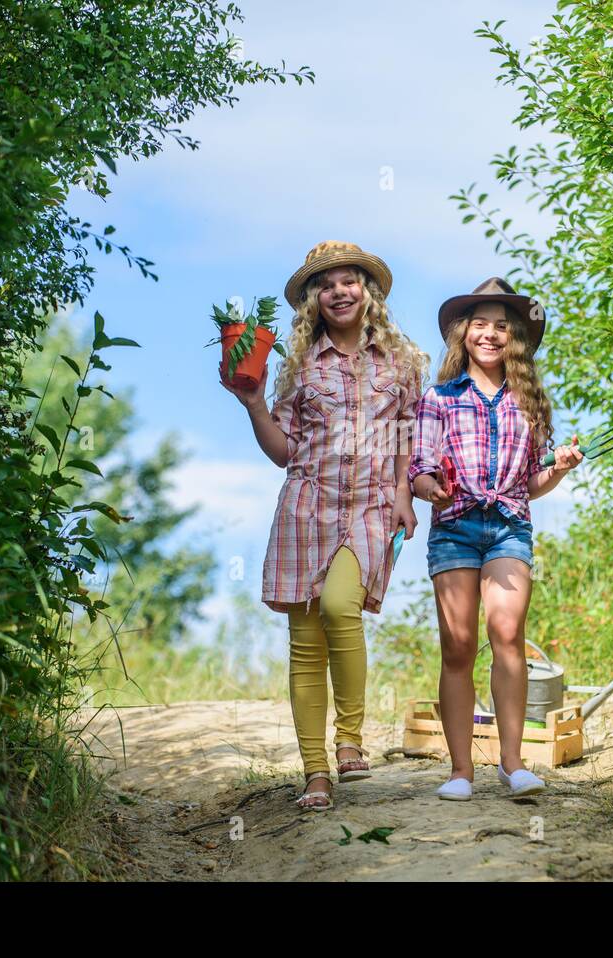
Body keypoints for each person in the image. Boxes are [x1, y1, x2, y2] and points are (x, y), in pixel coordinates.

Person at [222, 241, 429, 811]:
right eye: (328, 284)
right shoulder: (299, 366)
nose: (340, 290)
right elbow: (284, 451)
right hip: (306, 505)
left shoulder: (401, 363)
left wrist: (405, 492)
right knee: (305, 644)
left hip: (368, 508)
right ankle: (315, 771)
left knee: (342, 607)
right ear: (316, 298)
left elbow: (410, 435)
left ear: (369, 293)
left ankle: (350, 741)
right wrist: (254, 405)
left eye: (350, 281)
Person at [408, 277, 582, 800]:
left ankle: (512, 762)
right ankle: (461, 770)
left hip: (508, 525)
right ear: (463, 334)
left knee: (507, 633)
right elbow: (418, 471)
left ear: (516, 338)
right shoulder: (438, 398)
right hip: (455, 526)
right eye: (480, 324)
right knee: (457, 646)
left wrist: (562, 469)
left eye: (501, 327)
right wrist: (429, 487)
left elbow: (532, 481)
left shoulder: (530, 403)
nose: (490, 334)